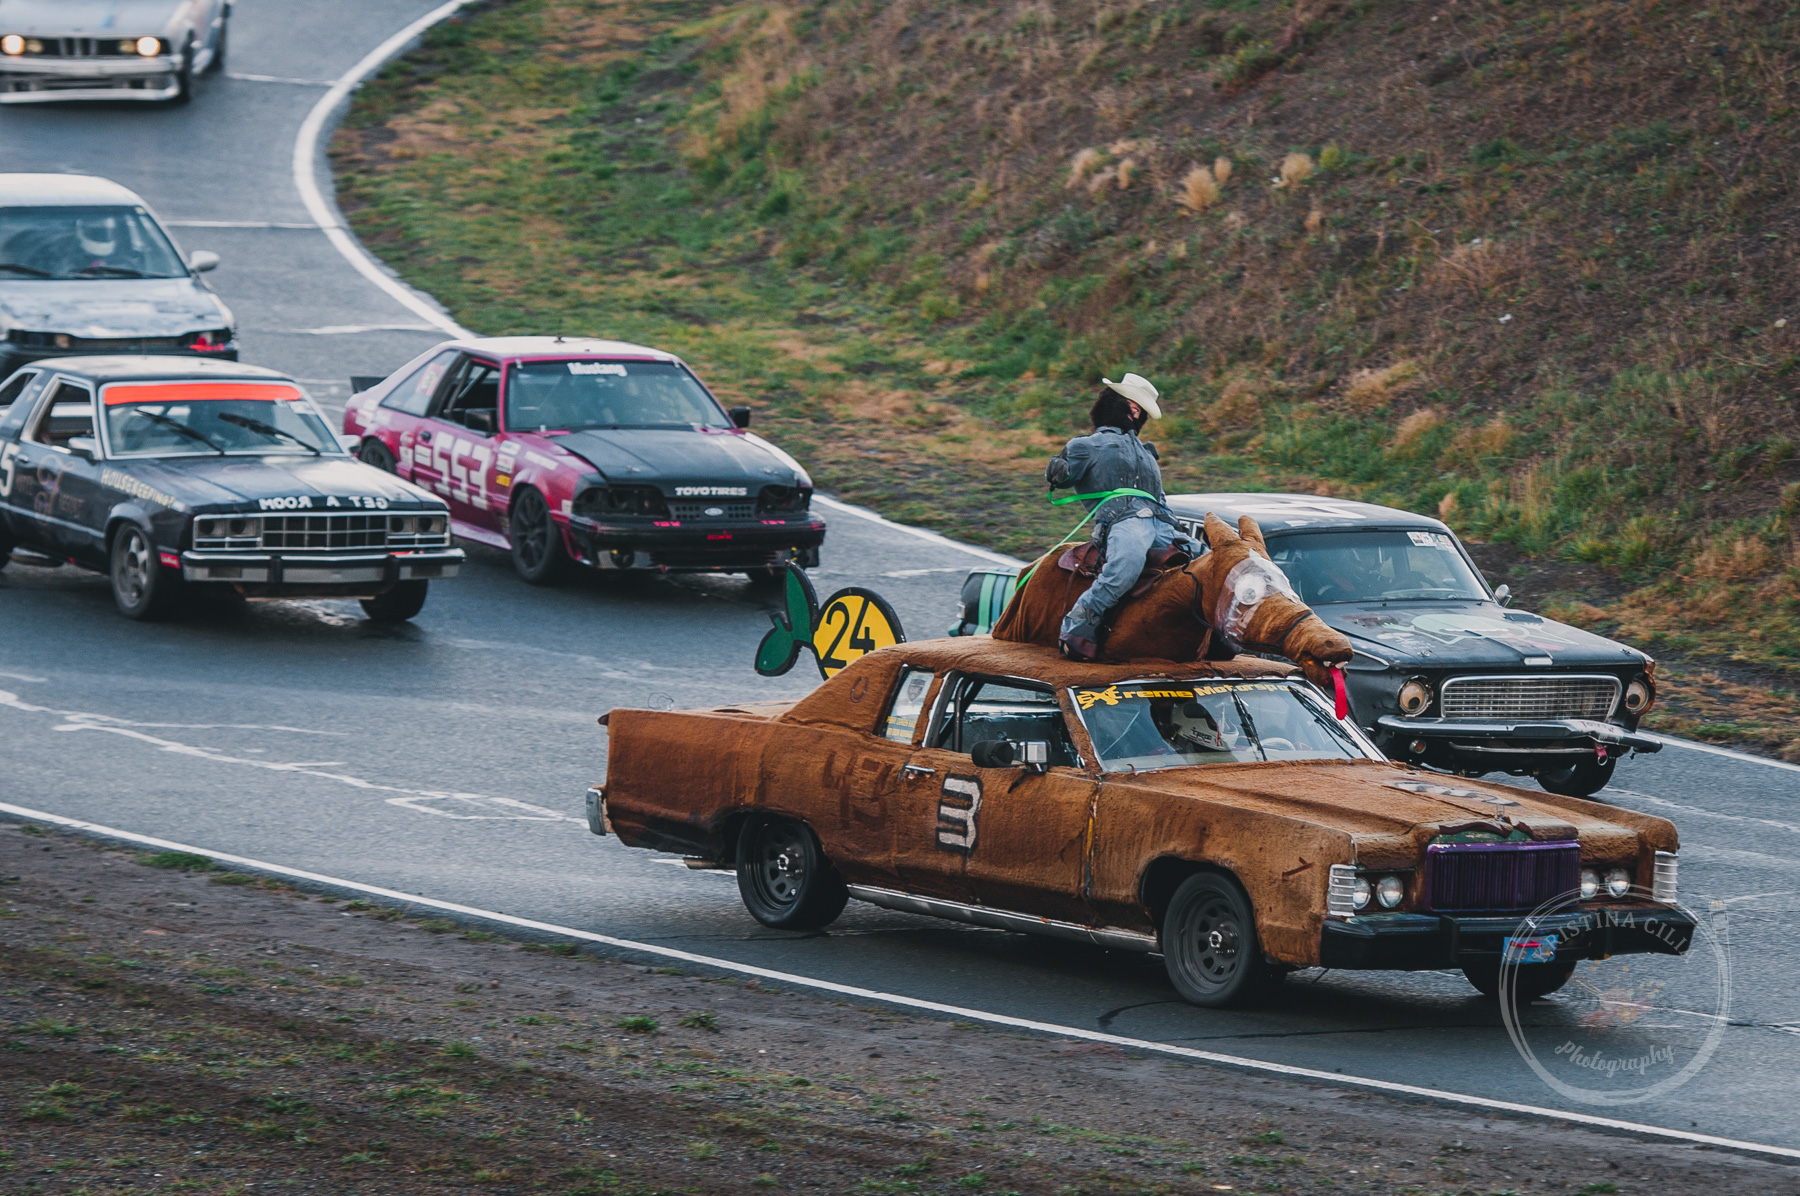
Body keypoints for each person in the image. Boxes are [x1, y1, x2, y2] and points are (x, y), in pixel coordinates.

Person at [1045, 372, 1193, 659]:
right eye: (1132, 406)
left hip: (1162, 523)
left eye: (1140, 409)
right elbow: (1062, 479)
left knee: (1206, 559)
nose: (1135, 413)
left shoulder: (1148, 453)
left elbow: (1160, 497)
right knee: (1126, 565)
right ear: (1116, 404)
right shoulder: (1084, 446)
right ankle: (1078, 625)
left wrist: (1178, 530)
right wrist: (1058, 471)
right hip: (1124, 521)